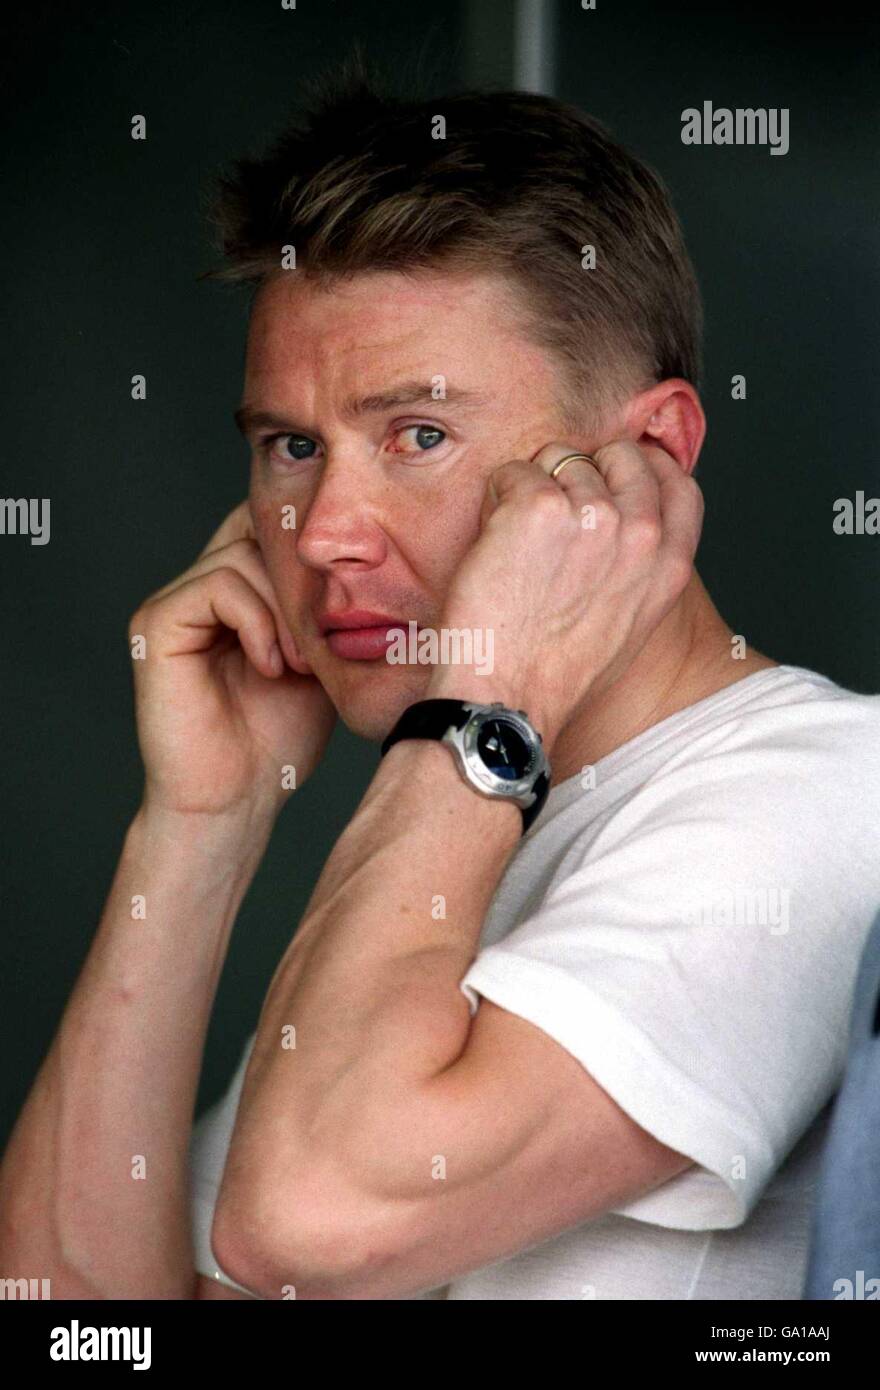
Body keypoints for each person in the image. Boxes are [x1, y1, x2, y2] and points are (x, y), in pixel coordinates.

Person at [2, 68, 878, 1302]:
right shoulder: (448, 848)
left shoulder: (832, 791)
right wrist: (199, 828)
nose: (320, 535)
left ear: (648, 457)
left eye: (417, 434)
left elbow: (308, 1219)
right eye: (291, 447)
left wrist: (481, 699)